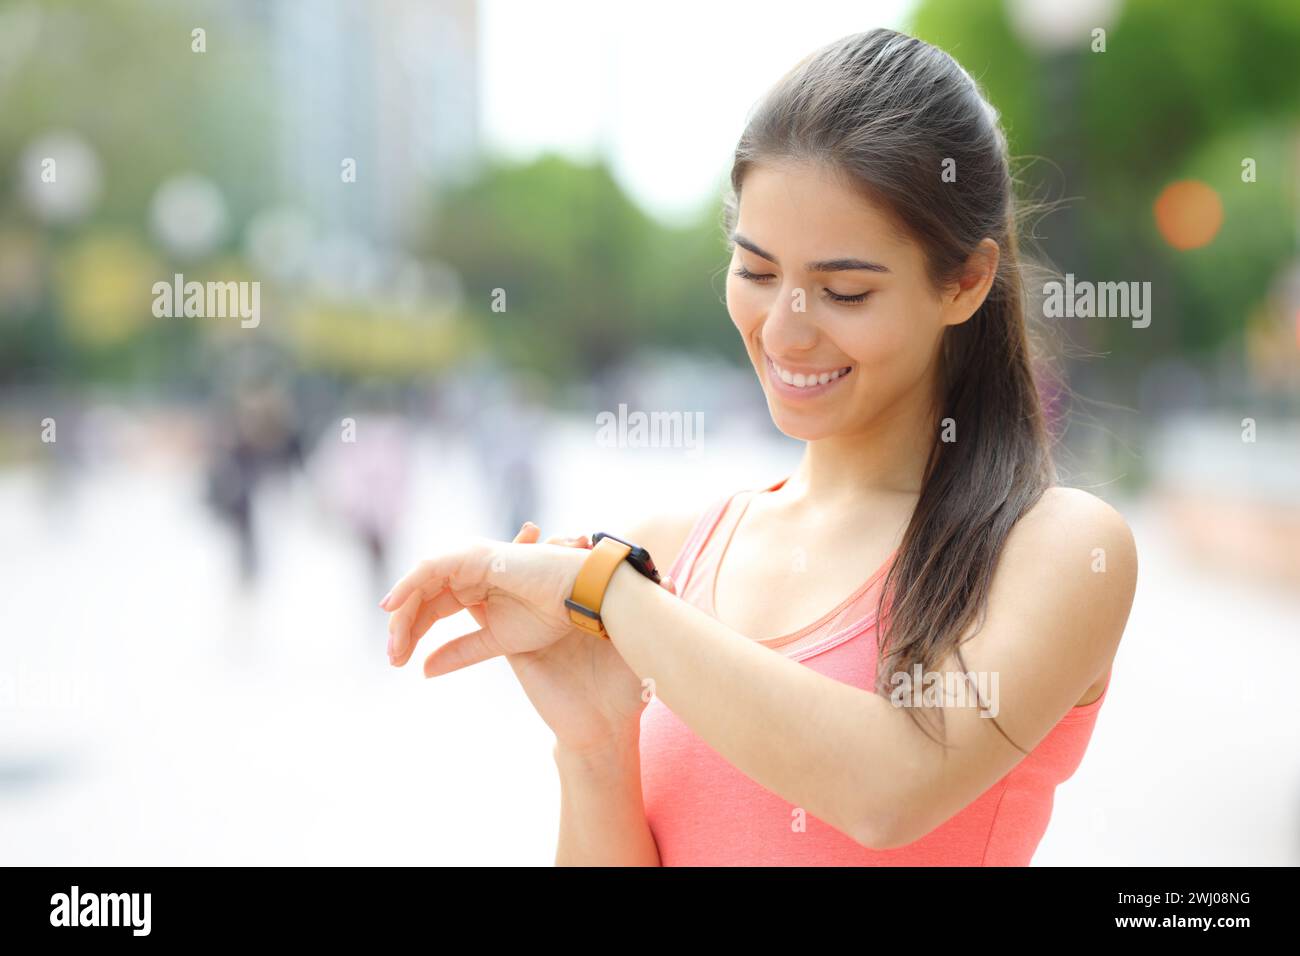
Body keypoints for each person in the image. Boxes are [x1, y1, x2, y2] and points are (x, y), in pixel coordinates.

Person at [380, 28, 1137, 866]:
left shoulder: (1059, 548)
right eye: (758, 272)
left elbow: (890, 788)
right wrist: (595, 748)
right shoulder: (671, 554)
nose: (785, 330)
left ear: (963, 282)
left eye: (844, 290)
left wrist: (609, 598)